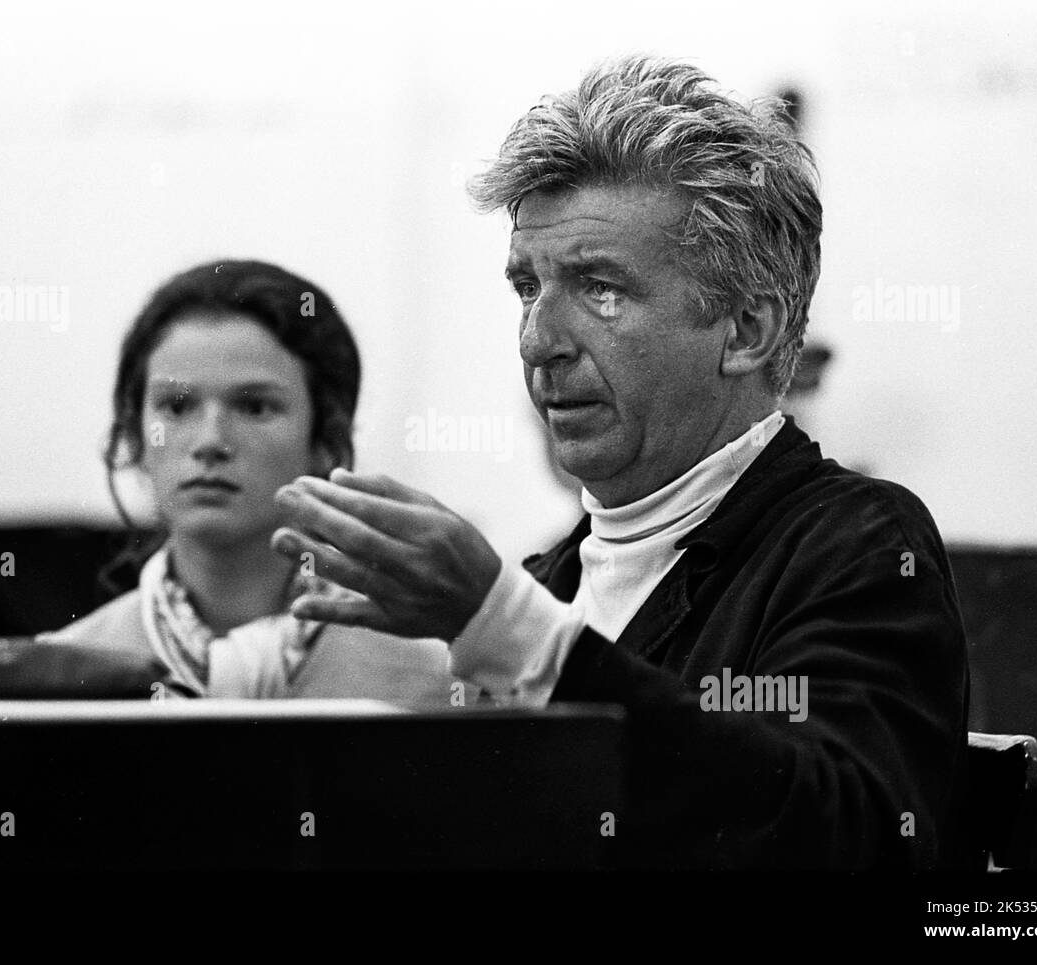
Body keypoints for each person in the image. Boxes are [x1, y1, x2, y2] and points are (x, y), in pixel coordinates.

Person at [269, 57, 970, 868]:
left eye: (600, 288)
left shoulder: (860, 545)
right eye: (528, 288)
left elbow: (846, 843)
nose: (538, 340)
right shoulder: (546, 584)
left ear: (747, 329)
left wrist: (502, 627)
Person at [39, 259, 464, 706]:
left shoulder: (436, 679)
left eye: (255, 407)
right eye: (176, 407)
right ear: (134, 434)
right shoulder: (62, 680)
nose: (210, 442)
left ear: (326, 440)